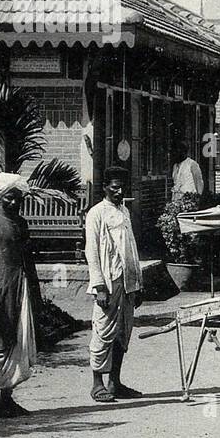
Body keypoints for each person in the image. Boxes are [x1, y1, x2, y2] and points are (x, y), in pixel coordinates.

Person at [0, 172, 42, 418]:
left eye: (18, 198)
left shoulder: (21, 224)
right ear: (0, 198)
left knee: (16, 343)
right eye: (10, 198)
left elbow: (28, 261)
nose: (14, 202)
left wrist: (35, 293)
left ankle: (8, 398)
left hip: (19, 291)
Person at [84, 167, 144, 403]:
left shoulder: (125, 212)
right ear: (105, 188)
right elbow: (93, 252)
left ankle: (114, 382)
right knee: (103, 330)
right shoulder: (96, 214)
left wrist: (138, 283)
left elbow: (131, 249)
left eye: (122, 188)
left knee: (122, 331)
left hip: (127, 282)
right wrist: (99, 286)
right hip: (108, 283)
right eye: (114, 187)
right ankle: (97, 383)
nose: (119, 192)